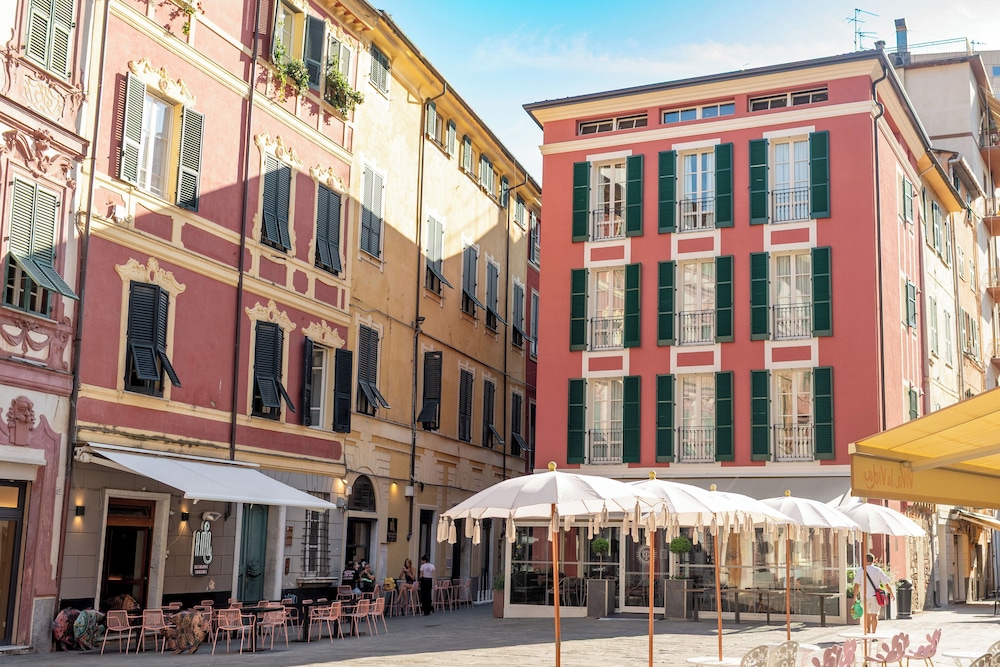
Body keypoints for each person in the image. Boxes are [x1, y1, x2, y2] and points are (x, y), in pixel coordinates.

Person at [853, 553, 893, 633]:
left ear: (865, 560)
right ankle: (874, 633)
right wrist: (891, 593)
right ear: (873, 560)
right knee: (874, 615)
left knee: (867, 615)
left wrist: (855, 597)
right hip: (875, 596)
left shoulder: (861, 570)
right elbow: (886, 583)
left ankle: (868, 632)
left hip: (864, 596)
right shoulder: (878, 570)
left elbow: (857, 585)